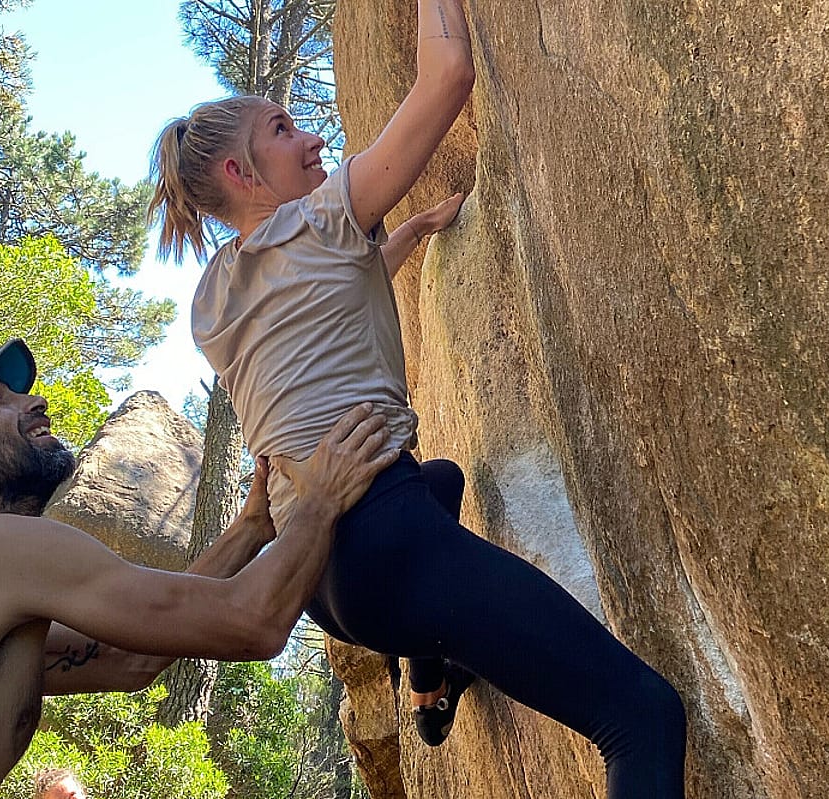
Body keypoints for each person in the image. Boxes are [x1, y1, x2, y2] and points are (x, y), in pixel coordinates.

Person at [146, 0, 688, 794]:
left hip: (325, 583)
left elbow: (320, 314)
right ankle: (441, 654)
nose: (314, 139)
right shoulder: (323, 219)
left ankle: (430, 685)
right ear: (240, 173)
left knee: (444, 482)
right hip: (387, 544)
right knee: (641, 715)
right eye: (285, 130)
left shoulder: (213, 299)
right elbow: (449, 75)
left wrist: (401, 237)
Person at [0, 340, 398, 799]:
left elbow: (130, 660)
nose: (34, 401)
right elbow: (253, 623)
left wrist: (253, 528)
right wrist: (321, 501)